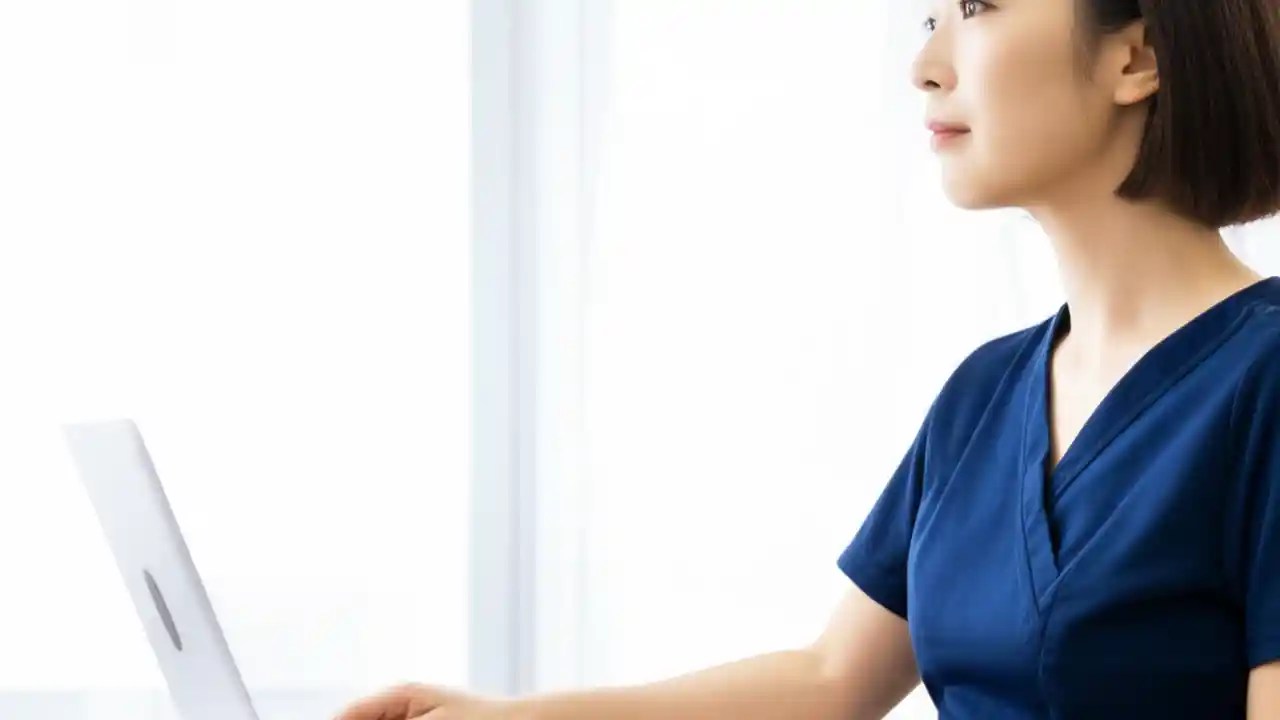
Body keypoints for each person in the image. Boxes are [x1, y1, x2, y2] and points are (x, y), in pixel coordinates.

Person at [335, 0, 1280, 717]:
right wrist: (504, 718)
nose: (926, 66)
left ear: (1136, 57)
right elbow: (830, 683)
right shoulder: (986, 393)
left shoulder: (1263, 380)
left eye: (978, 7)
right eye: (931, 20)